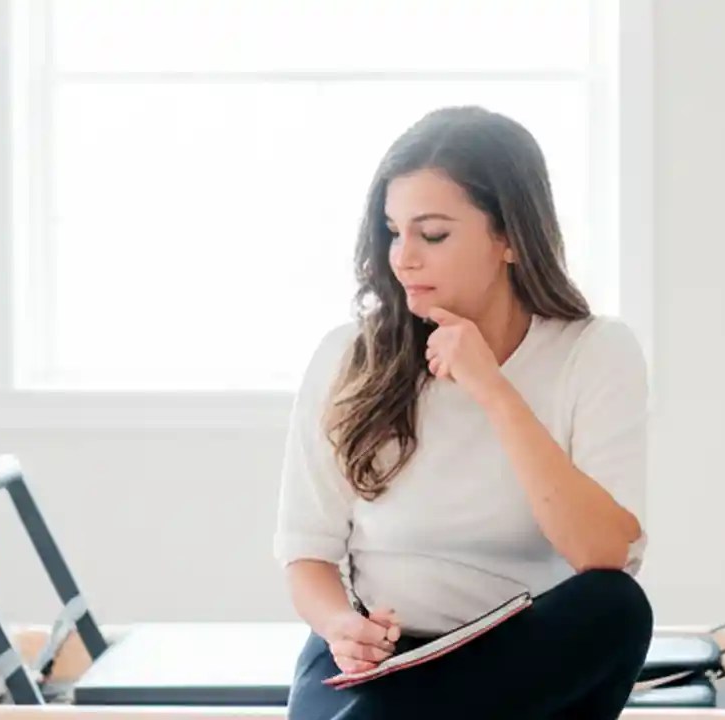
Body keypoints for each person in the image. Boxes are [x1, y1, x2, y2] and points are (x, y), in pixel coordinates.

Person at [273, 105, 653, 719]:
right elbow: (307, 552)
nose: (403, 258)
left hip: (514, 664)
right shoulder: (347, 356)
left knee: (618, 608)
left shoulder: (596, 351)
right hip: (377, 662)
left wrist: (495, 391)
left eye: (433, 234)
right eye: (393, 232)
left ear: (508, 237)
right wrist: (342, 627)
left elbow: (603, 555)